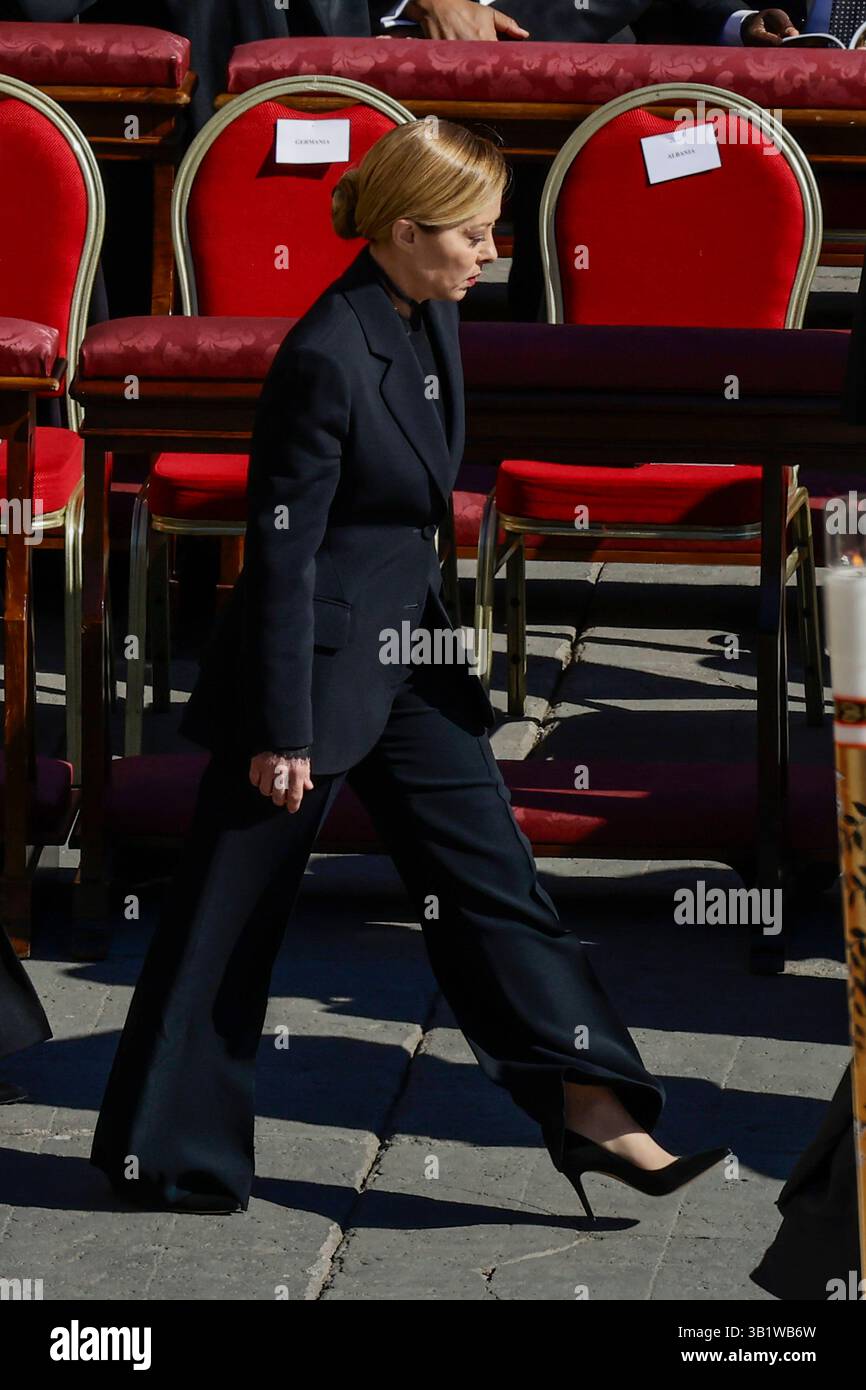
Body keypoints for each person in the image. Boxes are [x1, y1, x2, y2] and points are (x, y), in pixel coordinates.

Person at [90, 119, 729, 1217]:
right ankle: (167, 1152)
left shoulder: (427, 311)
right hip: (309, 677)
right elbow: (282, 555)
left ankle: (591, 1103)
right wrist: (280, 729)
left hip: (407, 660)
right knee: (221, 923)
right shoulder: (324, 353)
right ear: (399, 230)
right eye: (472, 234)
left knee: (493, 881)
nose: (491, 253)